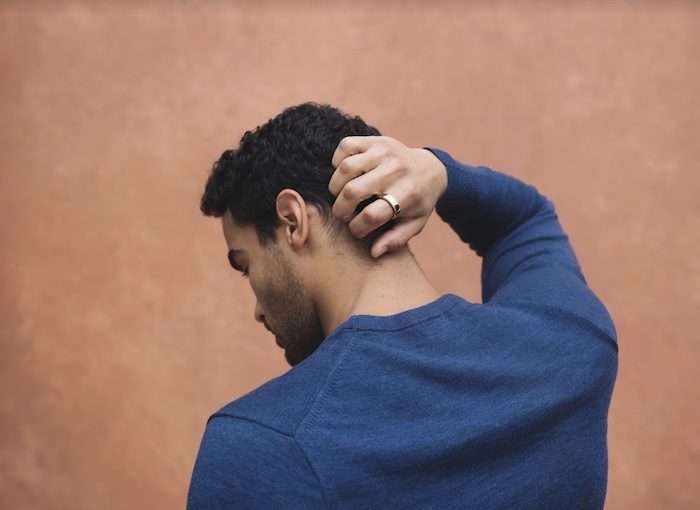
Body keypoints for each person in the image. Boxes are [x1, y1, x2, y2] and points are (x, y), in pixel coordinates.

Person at [187, 102, 618, 509]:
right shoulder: (570, 340)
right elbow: (526, 220)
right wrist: (439, 171)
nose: (257, 310)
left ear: (293, 221)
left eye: (245, 266)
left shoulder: (263, 447)